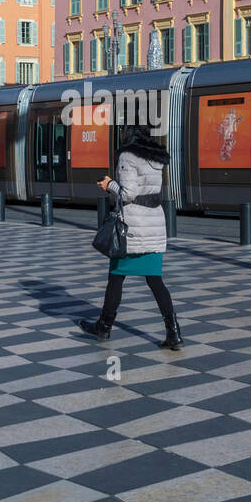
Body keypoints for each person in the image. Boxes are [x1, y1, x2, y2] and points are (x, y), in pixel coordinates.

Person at [79, 126, 183, 350]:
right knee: (155, 281)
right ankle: (173, 333)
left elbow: (128, 193)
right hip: (154, 224)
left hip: (133, 227)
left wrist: (109, 185)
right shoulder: (156, 159)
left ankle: (104, 327)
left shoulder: (127, 156)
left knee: (116, 277)